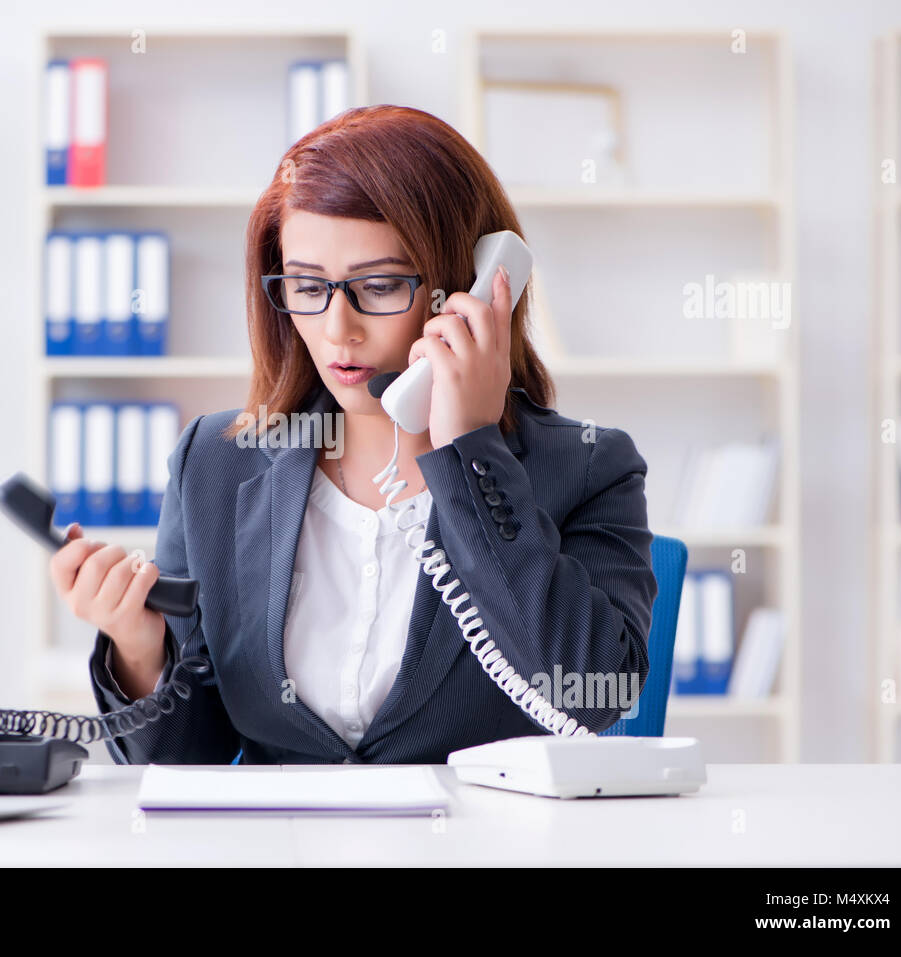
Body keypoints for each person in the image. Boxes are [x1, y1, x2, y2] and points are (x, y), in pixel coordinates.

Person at [50, 104, 657, 764]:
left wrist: (472, 451)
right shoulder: (218, 464)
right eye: (307, 286)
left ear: (471, 287)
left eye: (378, 285)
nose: (338, 327)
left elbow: (597, 692)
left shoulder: (590, 466)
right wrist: (138, 645)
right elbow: (186, 759)